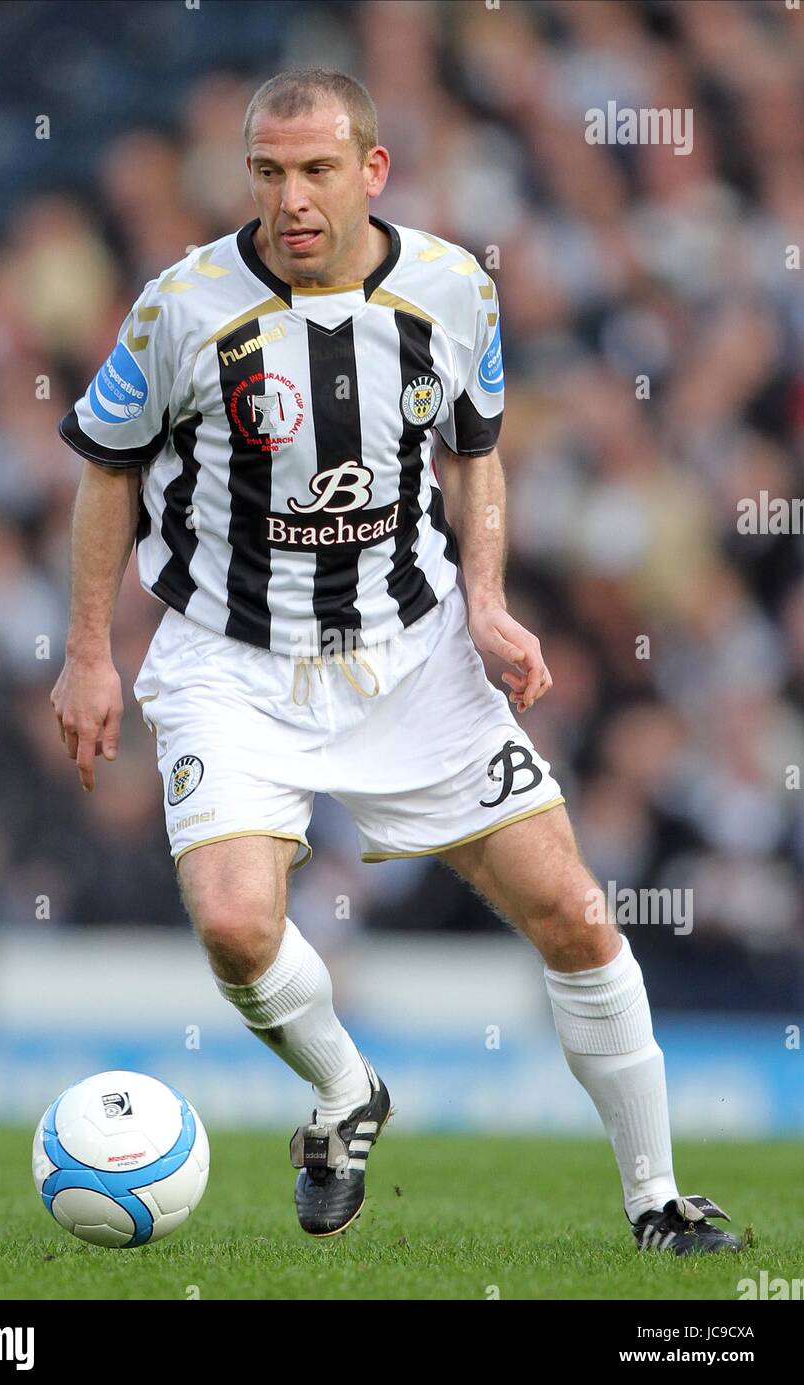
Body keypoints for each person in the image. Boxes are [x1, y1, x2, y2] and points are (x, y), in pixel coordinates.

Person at [52, 67, 739, 1253]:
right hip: (231, 659)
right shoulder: (181, 306)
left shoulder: (454, 289)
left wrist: (486, 602)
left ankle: (658, 1201)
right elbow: (108, 467)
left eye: (319, 169)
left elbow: (475, 454)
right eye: (269, 172)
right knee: (231, 921)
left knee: (576, 913)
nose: (293, 198)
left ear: (373, 170)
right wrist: (87, 656)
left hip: (411, 654)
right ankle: (344, 1091)